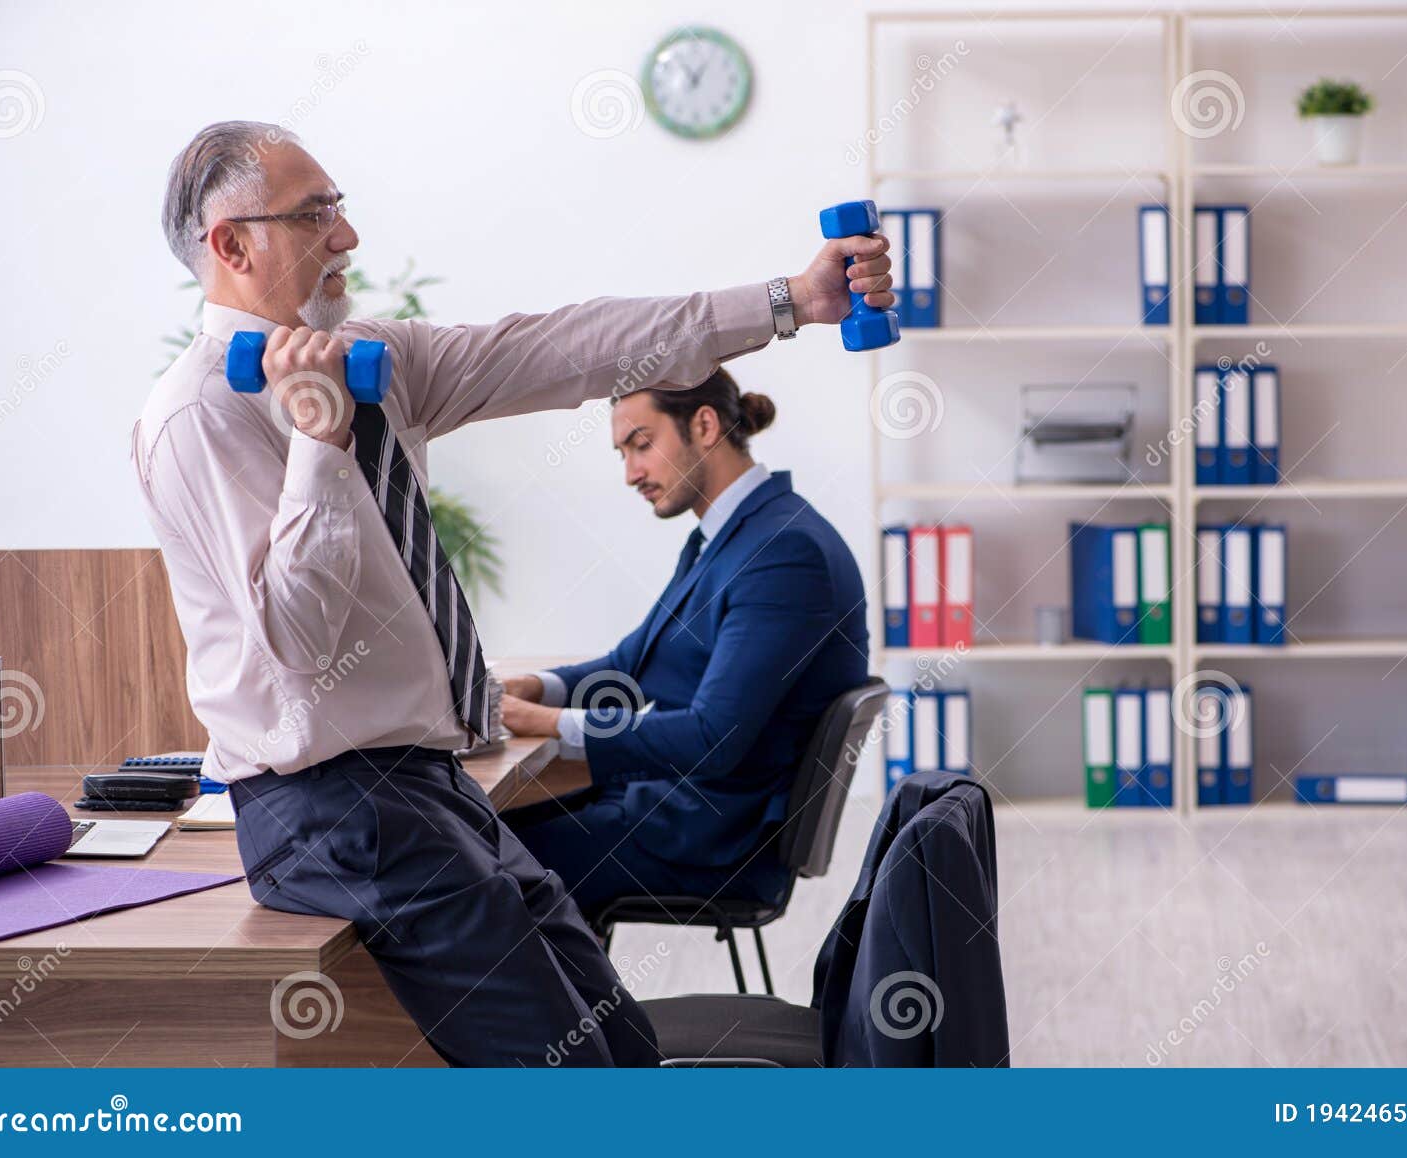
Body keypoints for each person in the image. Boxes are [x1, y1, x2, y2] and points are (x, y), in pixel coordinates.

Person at [132, 121, 893, 1067]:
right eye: (315, 214)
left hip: (430, 783)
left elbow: (569, 345)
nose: (347, 238)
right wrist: (319, 446)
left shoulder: (375, 358)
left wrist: (788, 302)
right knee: (570, 1079)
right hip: (333, 808)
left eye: (341, 209)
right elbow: (297, 637)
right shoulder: (195, 415)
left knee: (621, 1045)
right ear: (232, 244)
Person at [499, 370, 869, 916]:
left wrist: (546, 723)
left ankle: (562, 999)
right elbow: (632, 663)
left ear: (703, 425)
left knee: (473, 863)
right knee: (485, 826)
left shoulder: (783, 551)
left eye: (641, 445)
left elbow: (711, 736)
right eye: (621, 453)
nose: (631, 473)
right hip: (674, 803)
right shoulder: (726, 535)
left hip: (711, 837)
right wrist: (533, 689)